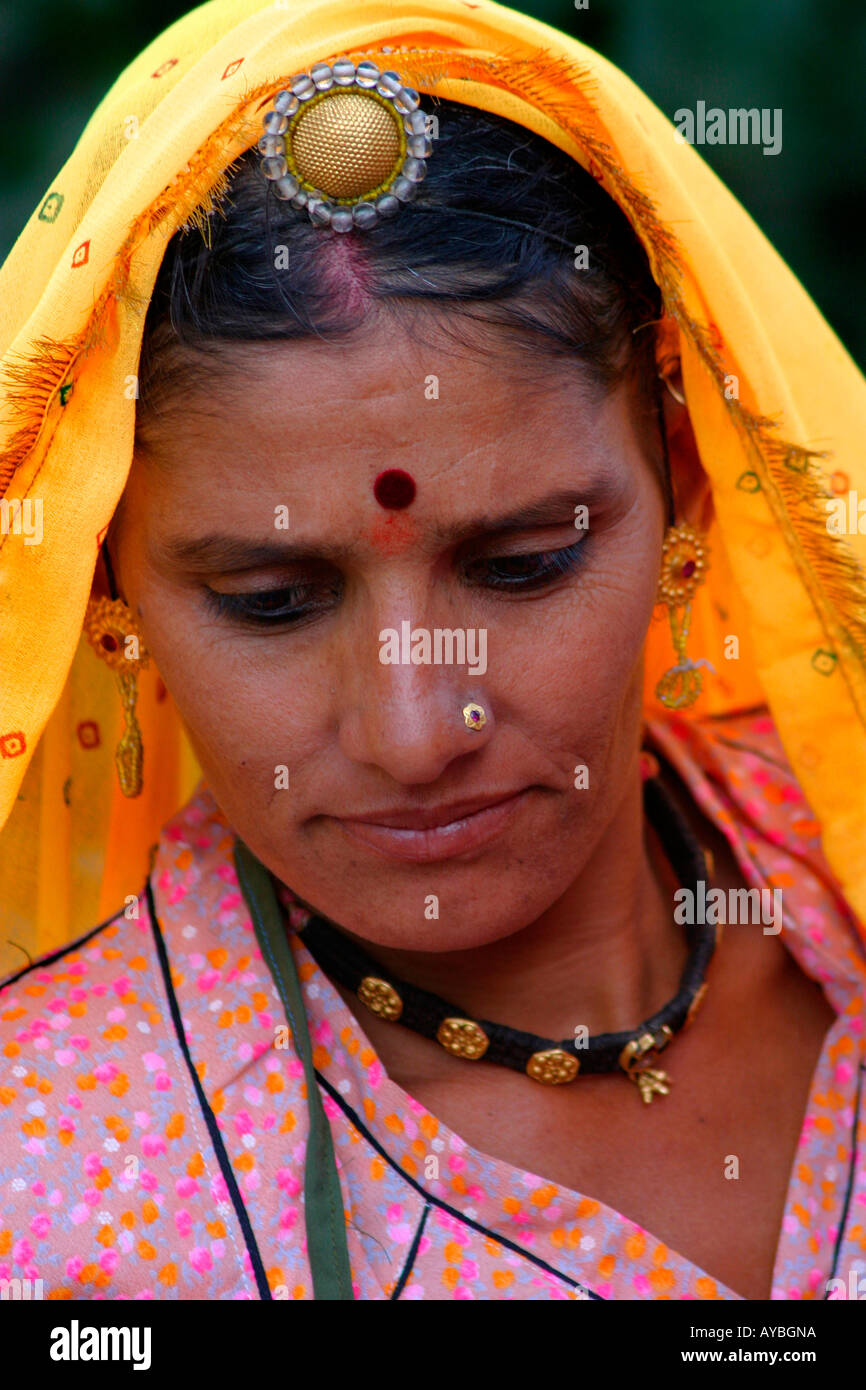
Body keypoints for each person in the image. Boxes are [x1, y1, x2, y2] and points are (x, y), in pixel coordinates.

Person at [0, 0, 864, 1303]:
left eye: (521, 566)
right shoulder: (59, 1199)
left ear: (684, 478)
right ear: (108, 580)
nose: (415, 734)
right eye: (272, 598)